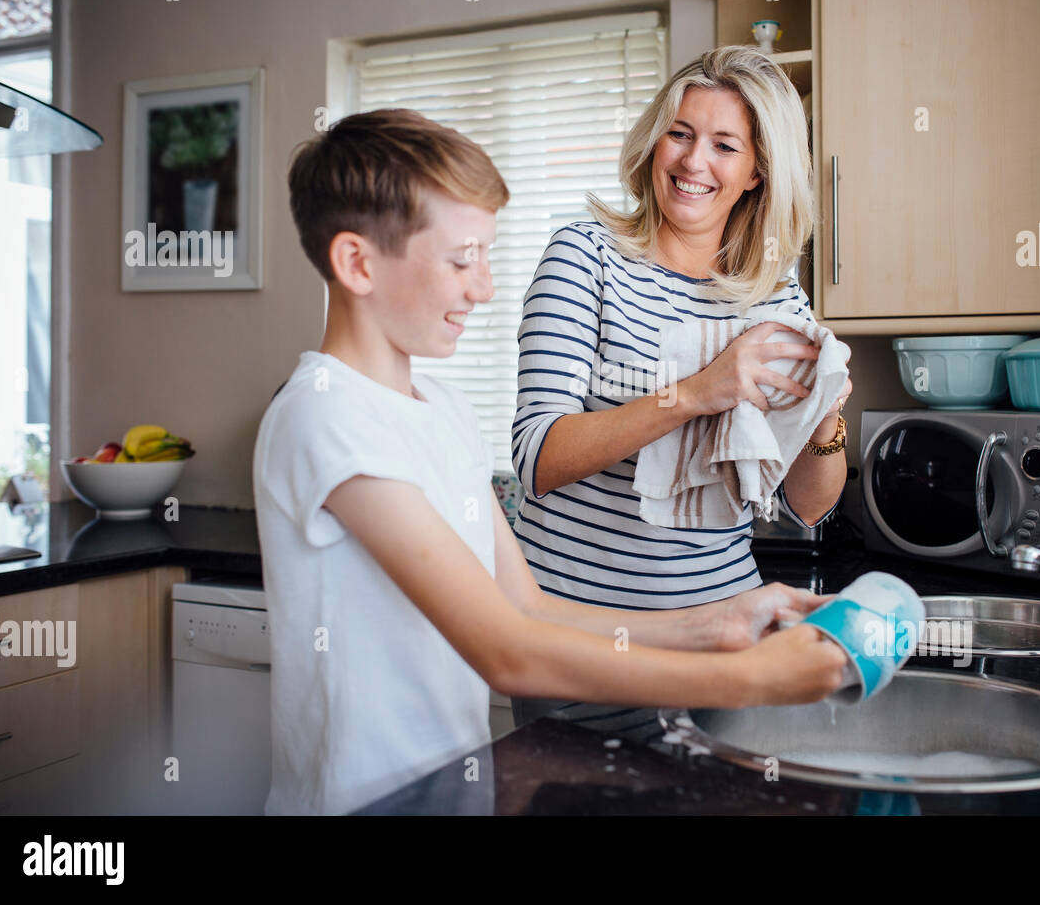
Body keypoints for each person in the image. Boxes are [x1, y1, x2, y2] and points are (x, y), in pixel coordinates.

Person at [252, 108, 848, 815]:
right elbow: (507, 651)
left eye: (486, 256)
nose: (485, 288)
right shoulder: (325, 414)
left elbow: (525, 606)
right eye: (461, 258)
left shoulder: (440, 408)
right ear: (357, 262)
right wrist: (750, 682)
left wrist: (718, 626)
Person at [510, 46, 853, 731]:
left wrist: (825, 419)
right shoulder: (587, 256)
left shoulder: (775, 292)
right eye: (680, 133)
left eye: (725, 145)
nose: (694, 163)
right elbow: (536, 458)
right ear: (654, 140)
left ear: (758, 172)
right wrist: (696, 392)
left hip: (725, 649)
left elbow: (807, 508)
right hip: (582, 651)